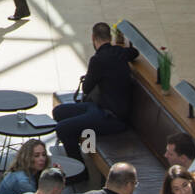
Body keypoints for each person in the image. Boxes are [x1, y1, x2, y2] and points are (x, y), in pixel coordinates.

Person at [51, 22, 139, 160]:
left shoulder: (97, 60)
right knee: (59, 111)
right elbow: (134, 52)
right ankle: (86, 146)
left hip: (111, 118)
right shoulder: (120, 52)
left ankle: (79, 172)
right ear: (110, 37)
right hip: (100, 109)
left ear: (93, 37)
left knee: (63, 128)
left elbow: (86, 88)